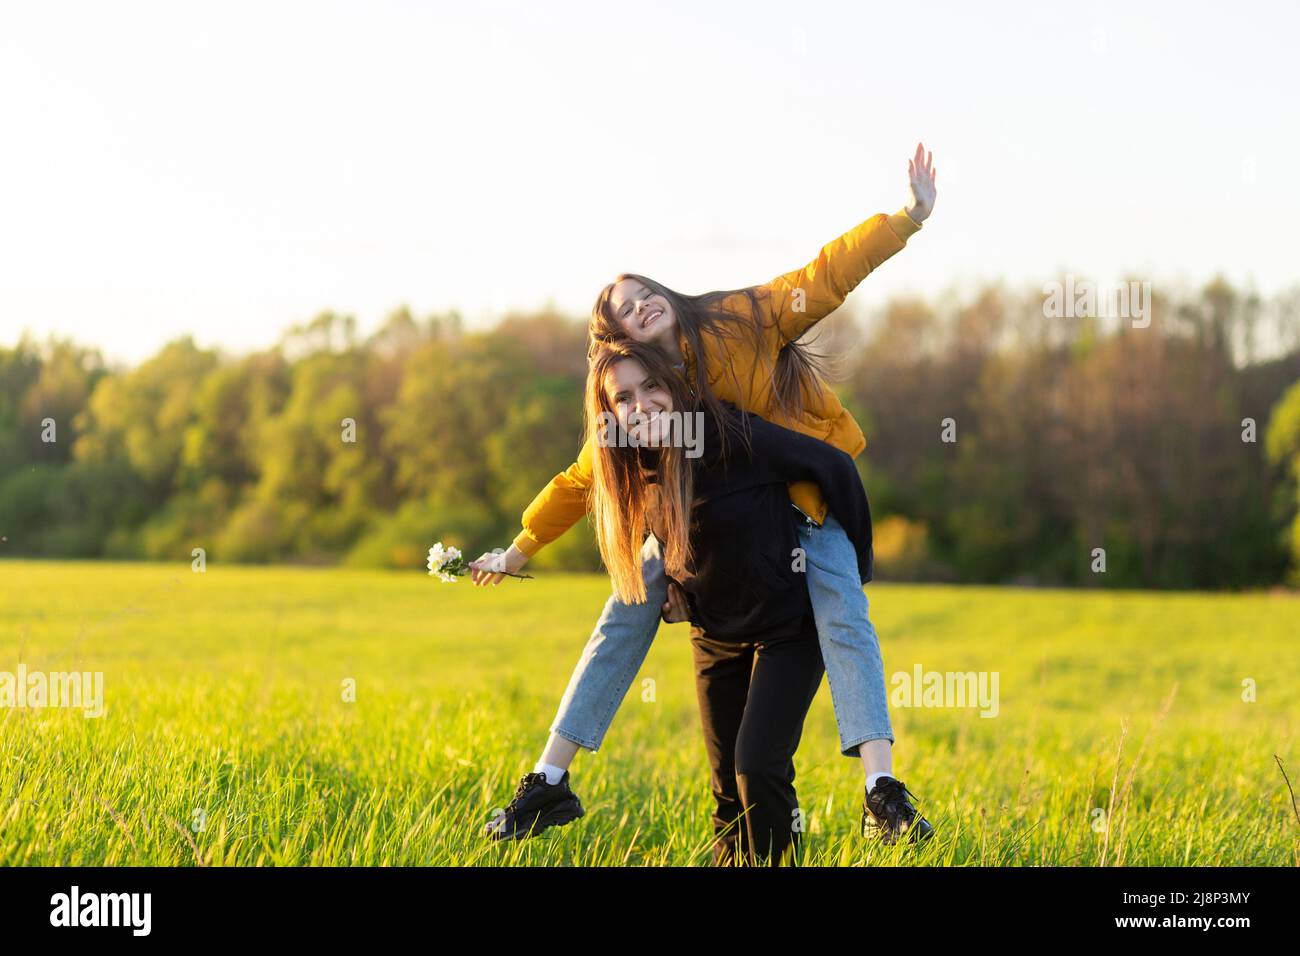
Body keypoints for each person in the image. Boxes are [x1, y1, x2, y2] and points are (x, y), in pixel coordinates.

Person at [475, 145, 938, 845]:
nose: (642, 305)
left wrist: (907, 217)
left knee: (844, 615)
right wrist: (519, 547)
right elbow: (581, 479)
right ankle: (550, 778)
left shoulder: (740, 320)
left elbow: (825, 275)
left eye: (643, 291)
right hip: (706, 527)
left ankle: (881, 786)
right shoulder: (642, 402)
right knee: (627, 601)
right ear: (623, 342)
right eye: (626, 311)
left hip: (806, 497)